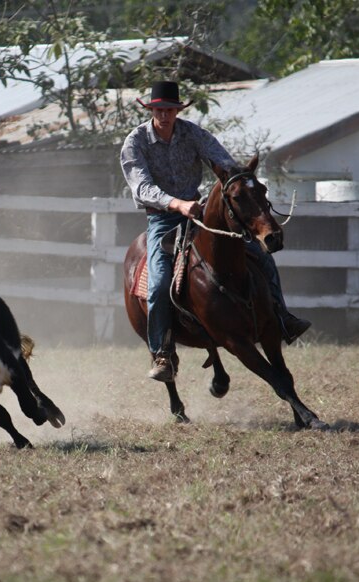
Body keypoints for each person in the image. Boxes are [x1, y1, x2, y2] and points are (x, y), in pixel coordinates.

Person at [120, 81, 310, 383]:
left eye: (170, 109)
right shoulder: (136, 141)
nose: (165, 115)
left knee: (259, 257)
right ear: (151, 110)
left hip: (200, 212)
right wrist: (178, 205)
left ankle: (283, 318)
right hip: (163, 219)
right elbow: (142, 187)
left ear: (177, 110)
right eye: (160, 110)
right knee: (157, 283)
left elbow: (221, 159)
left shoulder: (192, 133)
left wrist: (237, 178)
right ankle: (163, 352)